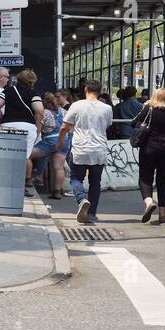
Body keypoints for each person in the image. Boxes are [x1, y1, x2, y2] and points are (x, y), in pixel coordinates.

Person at [58, 80, 113, 225]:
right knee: (95, 183)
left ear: (85, 89)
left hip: (80, 149)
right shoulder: (107, 108)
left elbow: (64, 127)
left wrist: (59, 142)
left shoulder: (76, 105)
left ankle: (82, 199)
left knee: (76, 178)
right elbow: (107, 126)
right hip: (99, 150)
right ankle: (92, 214)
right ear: (100, 91)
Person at [132, 88, 165, 225]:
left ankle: (149, 203)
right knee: (163, 181)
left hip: (149, 149)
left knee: (145, 177)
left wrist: (145, 106)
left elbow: (133, 123)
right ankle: (162, 215)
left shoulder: (149, 111)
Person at [0, 68, 44, 195]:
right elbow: (39, 111)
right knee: (22, 158)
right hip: (27, 127)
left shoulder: (7, 91)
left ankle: (5, 184)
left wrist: (2, 118)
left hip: (7, 126)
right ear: (32, 81)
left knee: (7, 157)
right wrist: (38, 129)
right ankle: (19, 187)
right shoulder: (34, 94)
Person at [31, 91, 69, 200]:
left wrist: (33, 140)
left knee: (27, 155)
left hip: (49, 140)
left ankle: (31, 179)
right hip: (64, 140)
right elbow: (70, 127)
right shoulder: (64, 112)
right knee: (59, 168)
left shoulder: (44, 113)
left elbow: (38, 129)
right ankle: (57, 192)